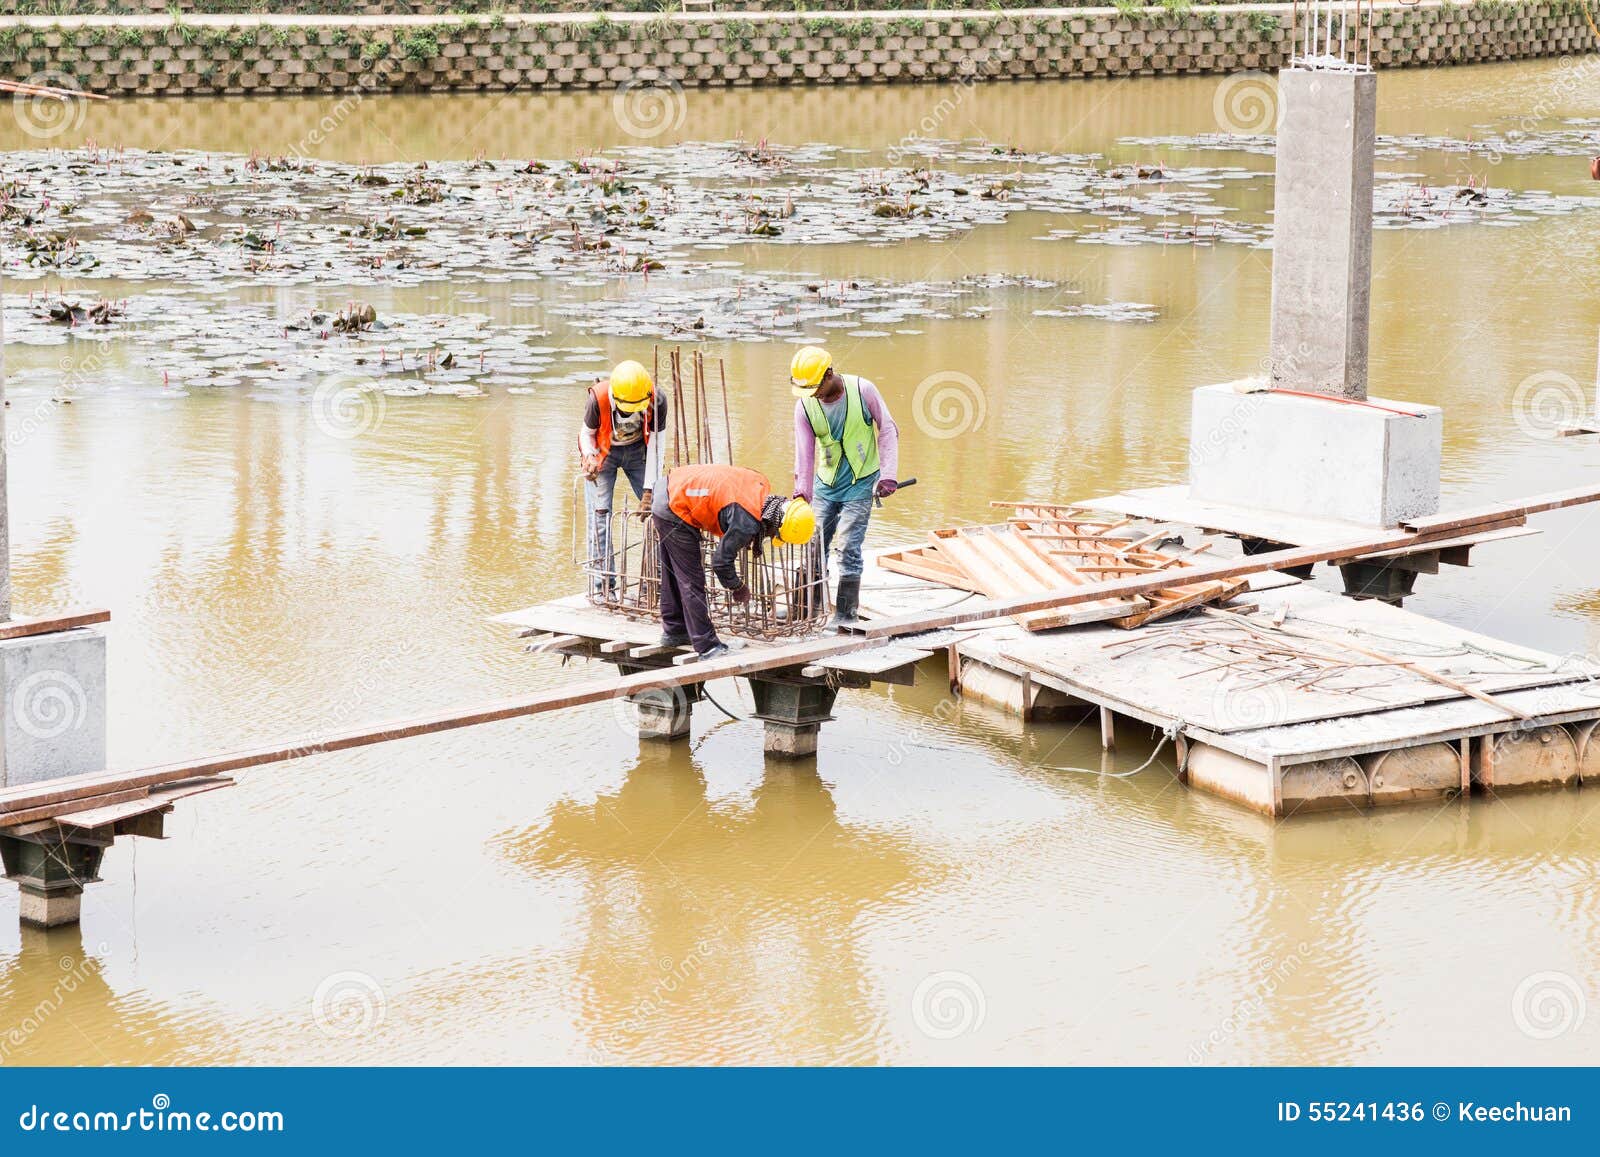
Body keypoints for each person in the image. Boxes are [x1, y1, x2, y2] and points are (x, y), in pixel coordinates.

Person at [651, 464, 815, 660]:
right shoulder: (746, 520)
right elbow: (720, 562)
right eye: (774, 535)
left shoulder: (761, 485)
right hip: (674, 505)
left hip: (667, 489)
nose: (770, 537)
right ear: (776, 523)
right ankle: (707, 646)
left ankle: (675, 630)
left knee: (673, 573)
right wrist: (738, 587)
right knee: (690, 580)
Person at [788, 346, 899, 627]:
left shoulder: (863, 390)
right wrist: (802, 493)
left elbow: (887, 428)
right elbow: (804, 452)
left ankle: (845, 616)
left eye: (815, 387)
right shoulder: (804, 406)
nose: (812, 393)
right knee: (814, 546)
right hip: (826, 484)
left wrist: (888, 475)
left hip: (861, 482)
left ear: (829, 374)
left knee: (849, 546)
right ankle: (809, 612)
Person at [580, 360, 667, 591]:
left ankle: (655, 582)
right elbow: (586, 433)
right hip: (604, 452)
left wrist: (649, 490)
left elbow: (658, 445)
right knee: (599, 516)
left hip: (639, 451)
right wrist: (589, 458)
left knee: (659, 510)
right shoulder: (597, 398)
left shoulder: (656, 400)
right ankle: (603, 585)